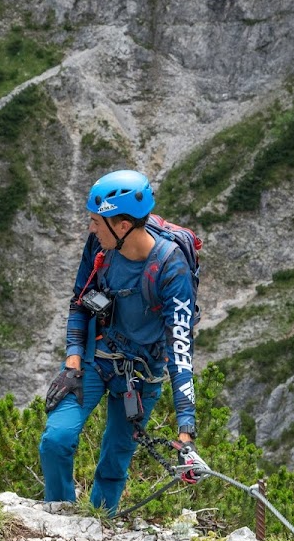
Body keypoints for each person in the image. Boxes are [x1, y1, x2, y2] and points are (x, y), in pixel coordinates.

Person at [39, 169, 205, 514]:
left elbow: (180, 352)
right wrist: (72, 361)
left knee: (116, 458)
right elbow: (79, 302)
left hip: (142, 374)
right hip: (94, 355)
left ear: (123, 224)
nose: (91, 228)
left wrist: (186, 433)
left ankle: (100, 522)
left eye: (97, 221)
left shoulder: (172, 270)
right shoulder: (101, 246)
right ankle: (60, 514)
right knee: (56, 439)